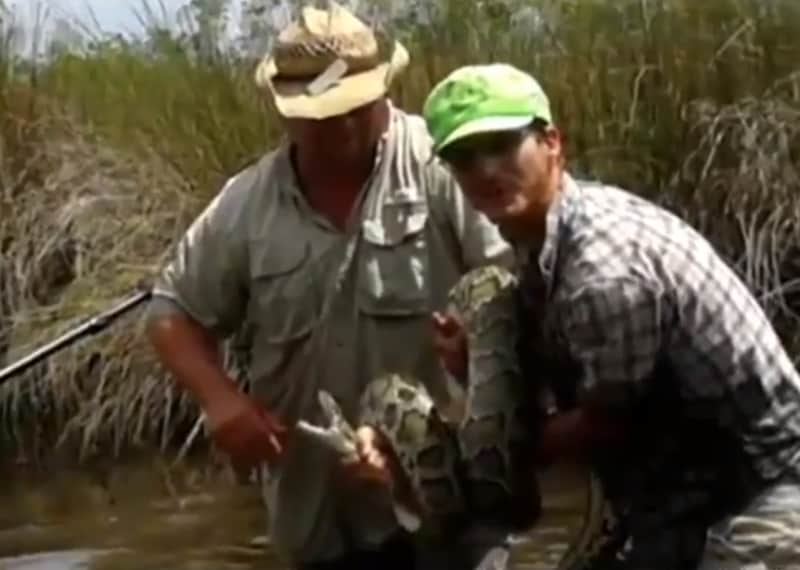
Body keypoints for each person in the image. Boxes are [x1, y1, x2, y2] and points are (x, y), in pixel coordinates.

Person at [146, 4, 516, 570]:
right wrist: (220, 400)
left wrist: (477, 354)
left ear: (381, 92)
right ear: (283, 112)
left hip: (454, 515)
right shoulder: (246, 207)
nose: (339, 126)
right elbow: (172, 311)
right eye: (319, 114)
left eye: (353, 108)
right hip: (318, 523)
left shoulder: (442, 167)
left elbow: (516, 285)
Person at [421, 63, 800, 569]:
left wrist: (488, 430)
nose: (486, 170)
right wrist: (479, 366)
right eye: (465, 158)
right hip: (689, 484)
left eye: (503, 145)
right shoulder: (540, 252)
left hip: (767, 487)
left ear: (552, 143)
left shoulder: (602, 270)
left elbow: (605, 425)